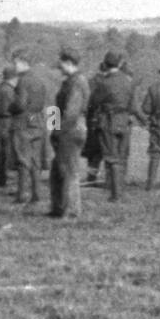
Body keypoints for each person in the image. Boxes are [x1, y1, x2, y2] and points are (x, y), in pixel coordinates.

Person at [87, 51, 135, 202]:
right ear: (119, 64)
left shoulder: (104, 83)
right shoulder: (128, 81)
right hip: (124, 121)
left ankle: (116, 194)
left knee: (111, 158)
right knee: (121, 157)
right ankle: (120, 190)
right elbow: (133, 104)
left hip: (108, 121)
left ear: (106, 64)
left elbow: (94, 102)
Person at [50, 47, 89, 220]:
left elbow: (71, 113)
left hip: (71, 131)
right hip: (65, 129)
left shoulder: (77, 82)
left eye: (61, 62)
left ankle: (71, 211)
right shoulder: (69, 81)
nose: (58, 65)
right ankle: (59, 208)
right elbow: (56, 108)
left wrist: (57, 131)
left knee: (69, 171)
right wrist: (53, 128)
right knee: (58, 170)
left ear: (68, 62)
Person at [8, 47, 49, 205]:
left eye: (16, 62)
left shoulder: (23, 81)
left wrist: (10, 107)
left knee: (23, 160)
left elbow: (20, 104)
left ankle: (22, 195)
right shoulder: (39, 81)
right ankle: (36, 194)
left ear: (23, 62)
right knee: (35, 161)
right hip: (37, 121)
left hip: (23, 122)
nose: (15, 66)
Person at [0, 65, 18, 189]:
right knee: (11, 152)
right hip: (10, 122)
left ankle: (0, 180)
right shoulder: (13, 92)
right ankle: (12, 180)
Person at [82, 60, 108, 183]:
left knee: (91, 150)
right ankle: (95, 176)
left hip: (89, 118)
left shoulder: (90, 81)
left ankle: (91, 176)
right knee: (101, 150)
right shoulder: (105, 83)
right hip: (102, 119)